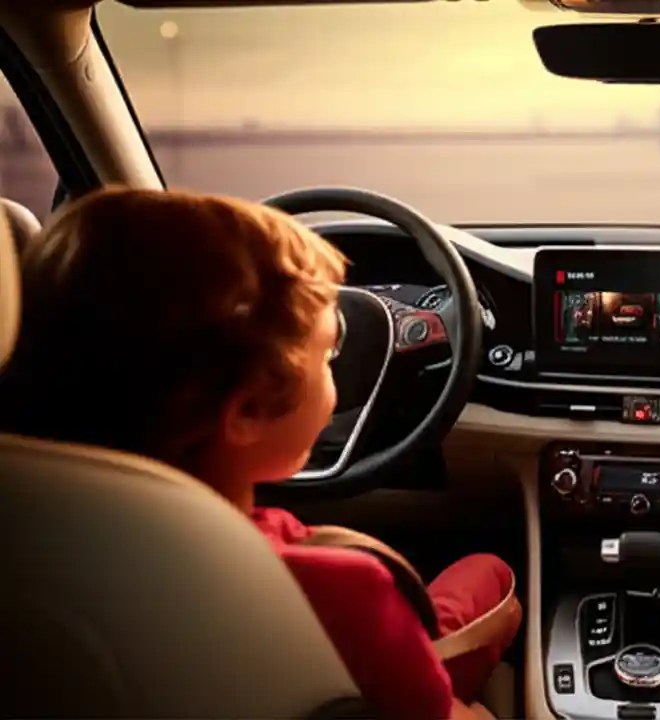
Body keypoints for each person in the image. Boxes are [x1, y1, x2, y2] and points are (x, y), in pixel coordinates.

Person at [0, 187, 520, 720]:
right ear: (248, 412)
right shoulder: (345, 590)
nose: (335, 366)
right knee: (494, 574)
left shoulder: (26, 536)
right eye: (329, 351)